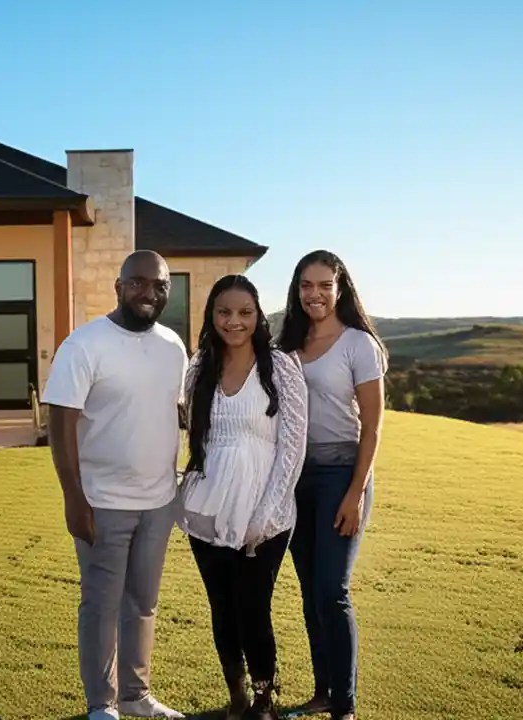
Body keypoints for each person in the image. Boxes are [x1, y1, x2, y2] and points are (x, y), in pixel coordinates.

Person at [42, 250, 188, 720]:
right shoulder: (84, 345)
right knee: (101, 604)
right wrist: (74, 498)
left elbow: (174, 413)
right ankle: (101, 705)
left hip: (160, 500)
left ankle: (136, 696)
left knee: (142, 602)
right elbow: (61, 423)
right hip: (102, 501)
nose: (149, 293)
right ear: (119, 286)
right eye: (139, 282)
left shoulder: (173, 347)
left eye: (159, 285)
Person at [177, 275, 308, 720]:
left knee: (253, 608)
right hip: (207, 508)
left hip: (264, 510)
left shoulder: (280, 366)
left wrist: (265, 517)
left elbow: (292, 446)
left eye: (245, 313)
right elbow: (197, 438)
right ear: (212, 316)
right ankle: (237, 698)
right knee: (222, 609)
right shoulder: (199, 366)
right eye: (224, 313)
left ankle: (264, 700)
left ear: (258, 316)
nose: (234, 322)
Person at [276, 250, 387, 720]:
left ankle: (345, 706)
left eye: (324, 285)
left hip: (342, 473)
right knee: (308, 590)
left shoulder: (358, 344)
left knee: (331, 590)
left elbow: (373, 427)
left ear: (340, 287)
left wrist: (356, 492)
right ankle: (322, 691)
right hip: (297, 476)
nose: (314, 294)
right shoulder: (289, 341)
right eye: (306, 285)